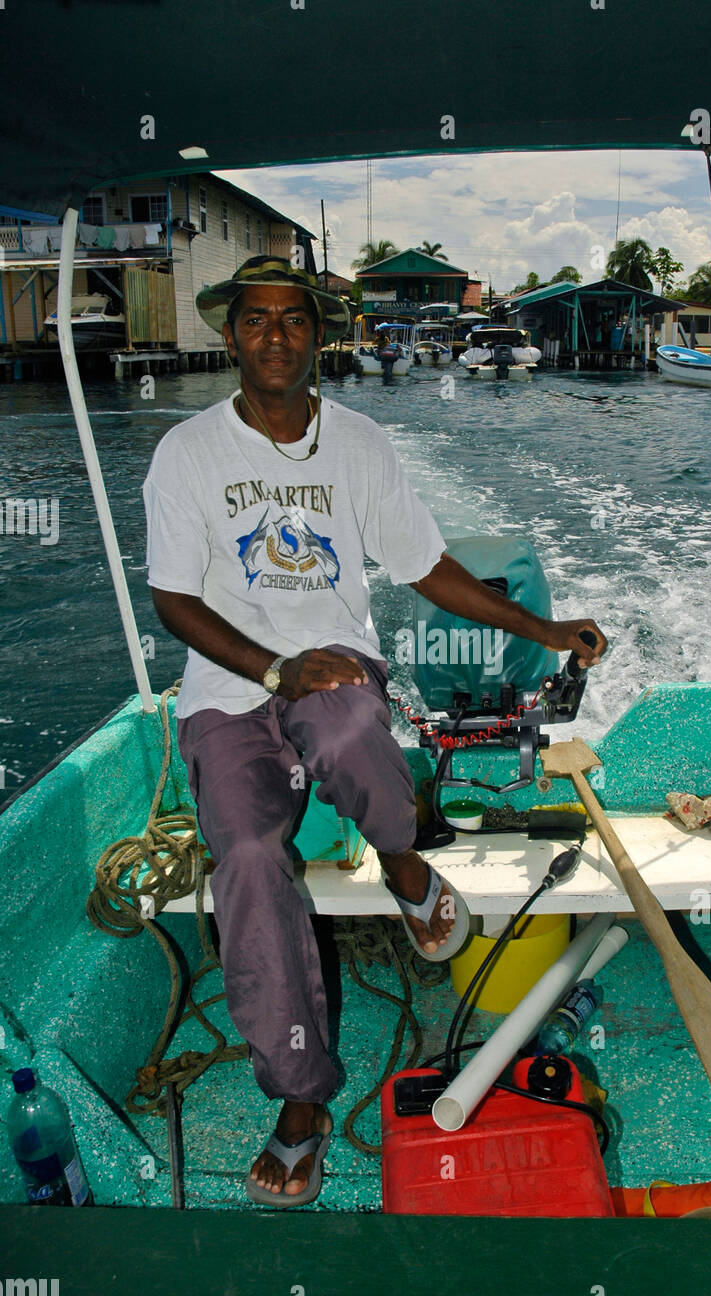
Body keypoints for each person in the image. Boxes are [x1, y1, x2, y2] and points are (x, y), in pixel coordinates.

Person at [143, 255, 606, 1206]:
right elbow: (172, 599)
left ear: (319, 334)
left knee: (355, 732)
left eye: (293, 318)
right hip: (228, 690)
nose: (274, 334)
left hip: (335, 669)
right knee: (246, 862)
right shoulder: (186, 452)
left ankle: (402, 865)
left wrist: (542, 630)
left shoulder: (359, 446)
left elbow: (425, 565)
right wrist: (271, 668)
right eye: (255, 318)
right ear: (231, 334)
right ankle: (303, 1100)